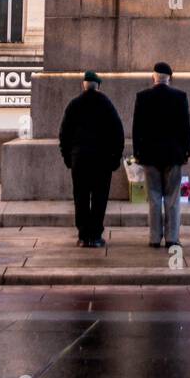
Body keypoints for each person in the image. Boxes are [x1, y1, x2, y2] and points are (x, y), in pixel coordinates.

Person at [58, 71, 124, 248]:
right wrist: (115, 158)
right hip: (102, 161)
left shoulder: (74, 104)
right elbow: (118, 133)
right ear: (99, 86)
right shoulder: (106, 104)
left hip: (79, 160)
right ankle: (95, 235)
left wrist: (67, 157)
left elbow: (64, 134)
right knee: (99, 198)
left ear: (83, 85)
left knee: (80, 197)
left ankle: (82, 235)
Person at [132, 62, 190, 249]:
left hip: (149, 155)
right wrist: (186, 151)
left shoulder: (143, 97)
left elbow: (137, 128)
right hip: (173, 155)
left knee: (154, 197)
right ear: (169, 78)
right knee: (172, 198)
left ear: (153, 77)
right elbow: (185, 128)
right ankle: (172, 237)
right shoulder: (180, 97)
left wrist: (137, 153)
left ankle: (154, 237)